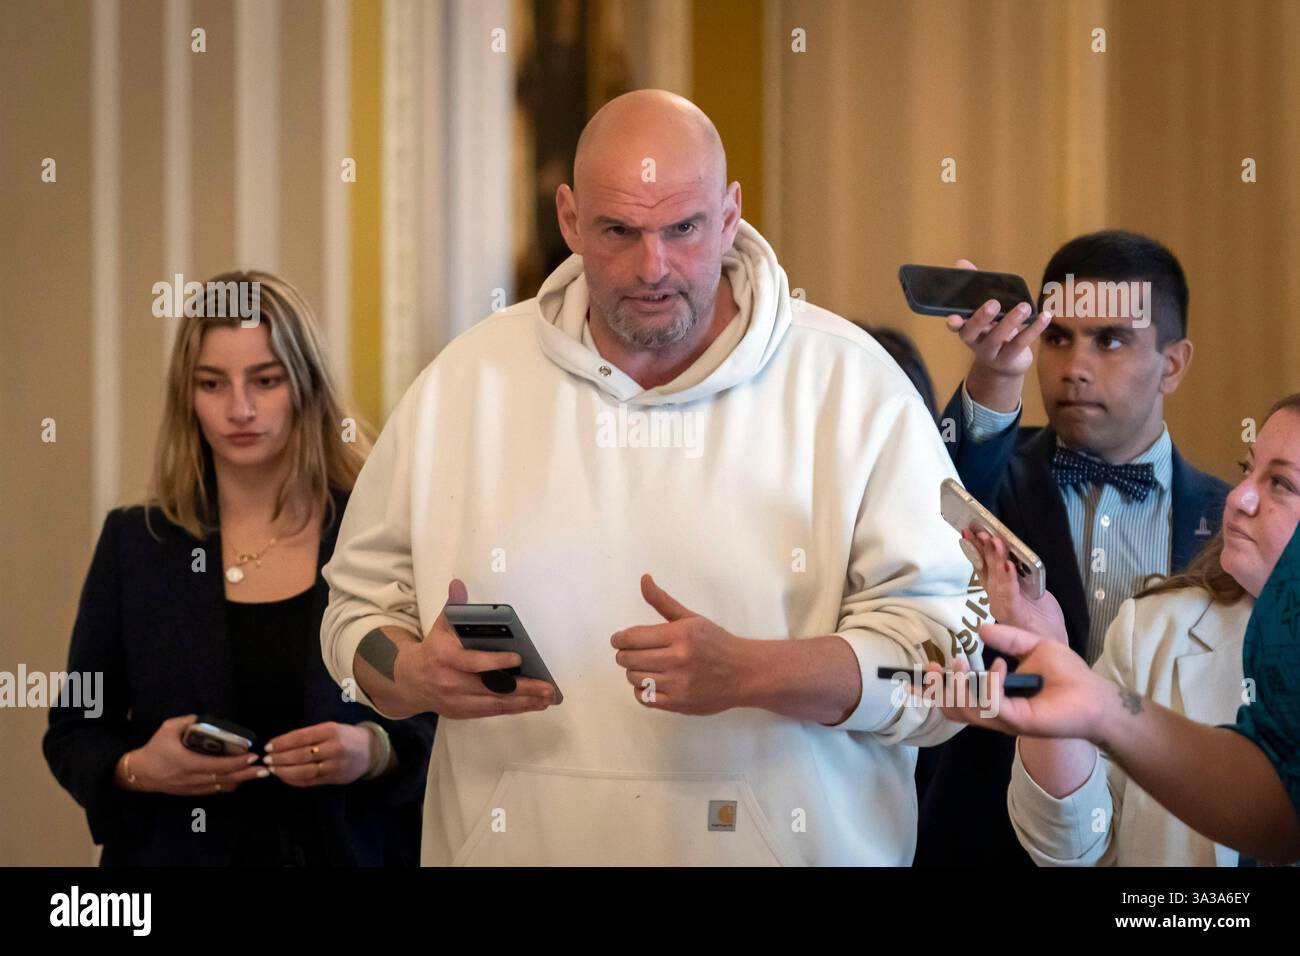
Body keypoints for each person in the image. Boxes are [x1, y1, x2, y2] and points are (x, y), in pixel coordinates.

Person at [320, 89, 978, 866]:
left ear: (731, 215)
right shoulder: (466, 382)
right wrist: (415, 675)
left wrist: (752, 671)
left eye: (684, 228)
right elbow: (354, 616)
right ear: (569, 219)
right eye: (619, 231)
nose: (653, 267)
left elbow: (950, 671)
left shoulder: (851, 387)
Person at [44, 272, 437, 866]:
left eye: (265, 380)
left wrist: (374, 751)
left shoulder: (378, 531)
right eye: (212, 383)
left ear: (306, 385)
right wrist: (138, 768)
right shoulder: (137, 543)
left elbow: (448, 720)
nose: (240, 409)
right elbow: (74, 733)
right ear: (187, 396)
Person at [916, 231, 1231, 866]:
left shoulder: (1231, 521)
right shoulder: (990, 478)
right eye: (1058, 337)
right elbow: (929, 511)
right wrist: (995, 373)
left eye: (1110, 340)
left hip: (1170, 849)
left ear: (1173, 363)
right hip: (990, 839)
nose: (1075, 365)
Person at [959, 393, 1300, 864]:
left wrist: (1103, 709)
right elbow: (1076, 848)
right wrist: (1049, 661)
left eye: (1281, 483)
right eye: (1247, 469)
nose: (1239, 497)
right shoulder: (1155, 628)